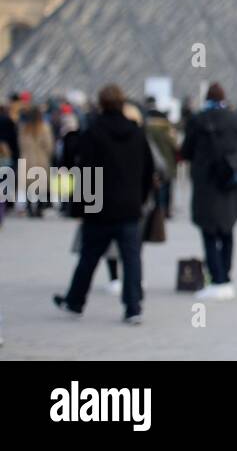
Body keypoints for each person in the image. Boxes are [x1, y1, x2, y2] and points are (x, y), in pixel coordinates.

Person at [53, 85, 154, 324]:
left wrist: (80, 207)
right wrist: (139, 199)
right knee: (131, 260)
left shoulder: (93, 133)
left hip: (99, 208)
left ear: (100, 103)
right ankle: (133, 308)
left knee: (88, 258)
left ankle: (75, 302)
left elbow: (83, 171)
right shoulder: (136, 133)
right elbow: (148, 171)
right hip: (129, 207)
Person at [180, 82, 237, 300]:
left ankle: (216, 277)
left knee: (208, 231)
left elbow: (186, 151)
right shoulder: (235, 120)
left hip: (205, 182)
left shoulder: (198, 120)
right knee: (227, 230)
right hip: (229, 182)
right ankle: (225, 275)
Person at [142, 97, 177, 219]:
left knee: (155, 188)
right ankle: (166, 210)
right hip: (167, 161)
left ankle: (158, 210)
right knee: (167, 187)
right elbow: (174, 144)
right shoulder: (167, 127)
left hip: (152, 161)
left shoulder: (145, 126)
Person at [18, 105, 54, 217]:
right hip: (41, 160)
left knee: (29, 185)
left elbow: (21, 145)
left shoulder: (24, 129)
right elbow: (49, 145)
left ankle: (29, 206)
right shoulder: (44, 128)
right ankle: (39, 207)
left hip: (27, 160)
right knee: (41, 186)